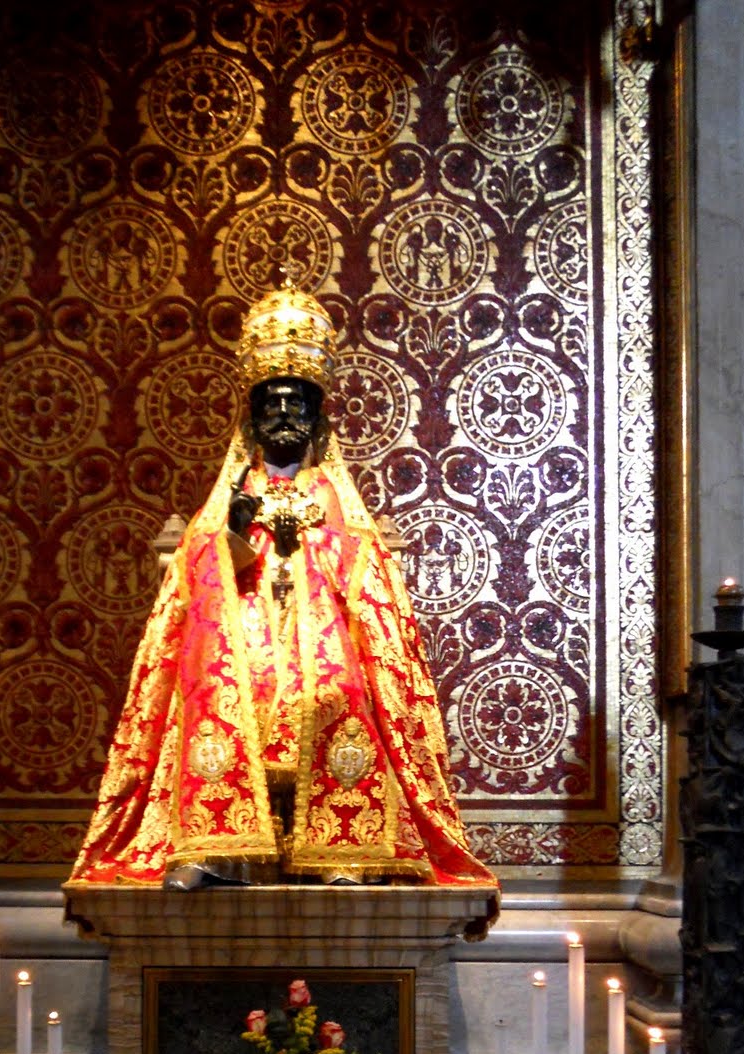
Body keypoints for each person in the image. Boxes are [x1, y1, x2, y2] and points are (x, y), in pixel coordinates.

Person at [67, 282, 497, 913]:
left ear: (317, 419)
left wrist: (317, 547)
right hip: (242, 630)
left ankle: (342, 852)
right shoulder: (233, 490)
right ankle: (216, 851)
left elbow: (366, 573)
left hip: (320, 633)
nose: (285, 414)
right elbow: (196, 572)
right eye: (272, 403)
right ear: (253, 418)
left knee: (338, 694)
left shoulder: (333, 494)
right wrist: (238, 532)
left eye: (298, 403)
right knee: (215, 691)